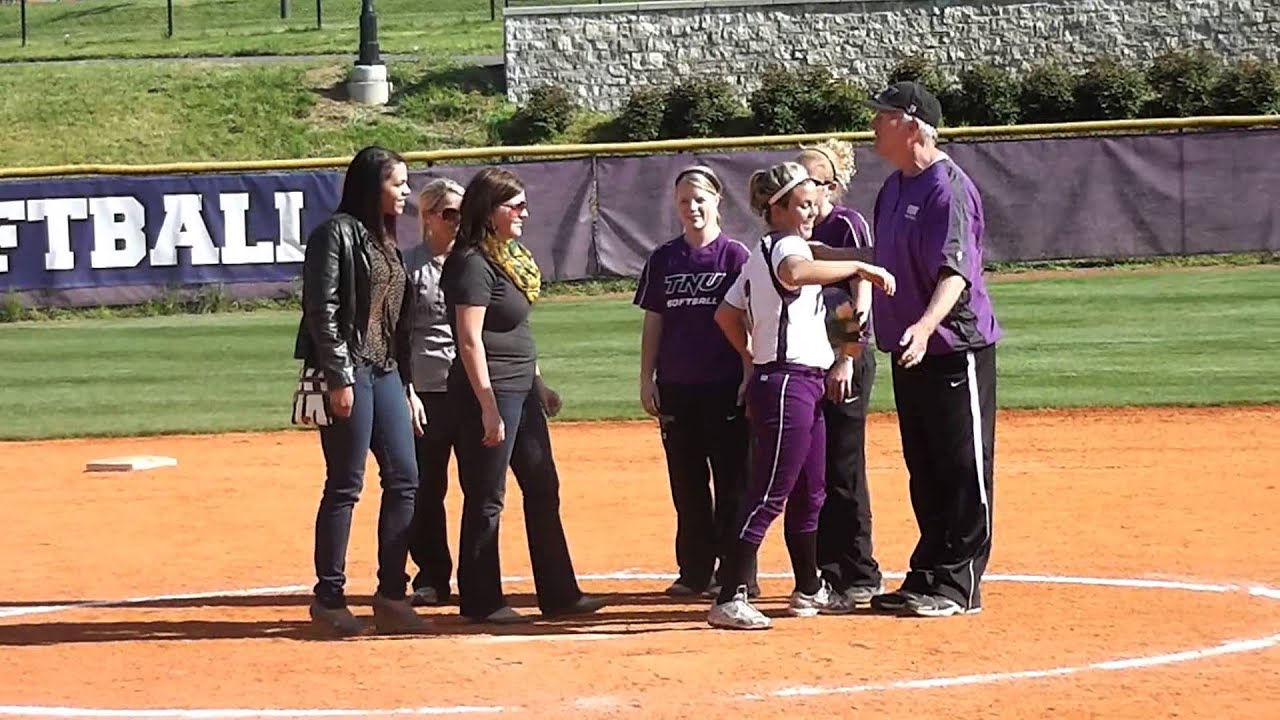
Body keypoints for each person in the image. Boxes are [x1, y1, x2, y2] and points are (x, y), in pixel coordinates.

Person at [709, 161, 896, 630]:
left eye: (813, 204)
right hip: (788, 382)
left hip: (803, 380)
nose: (810, 212)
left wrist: (846, 353)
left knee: (811, 491)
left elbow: (727, 314)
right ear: (777, 208)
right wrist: (858, 264)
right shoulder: (783, 247)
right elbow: (794, 273)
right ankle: (729, 594)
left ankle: (808, 587)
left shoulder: (772, 249)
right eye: (801, 204)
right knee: (771, 491)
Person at [441, 166, 610, 624]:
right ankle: (481, 601)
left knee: (542, 487)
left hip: (521, 387)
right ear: (488, 210)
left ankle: (559, 595)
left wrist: (539, 384)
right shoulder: (471, 262)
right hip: (489, 392)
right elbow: (470, 339)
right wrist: (488, 406)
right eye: (514, 205)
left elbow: (516, 327)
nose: (524, 213)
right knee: (487, 495)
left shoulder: (508, 257)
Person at [863, 81, 1003, 618]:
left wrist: (923, 327)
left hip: (952, 344)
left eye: (884, 115)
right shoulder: (894, 187)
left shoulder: (949, 188)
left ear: (913, 124)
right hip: (908, 347)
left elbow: (956, 273)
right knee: (923, 466)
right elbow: (883, 258)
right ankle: (928, 574)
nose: (875, 123)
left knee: (962, 465)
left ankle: (960, 583)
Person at [294, 145, 429, 637]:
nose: (406, 192)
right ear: (374, 186)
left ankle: (391, 594)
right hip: (352, 370)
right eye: (399, 183)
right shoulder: (336, 234)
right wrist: (337, 374)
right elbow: (322, 308)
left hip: (388, 371)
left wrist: (410, 387)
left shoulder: (387, 241)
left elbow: (399, 324)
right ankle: (328, 598)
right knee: (346, 484)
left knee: (406, 479)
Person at [634, 165, 758, 599]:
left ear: (717, 200)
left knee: (732, 483)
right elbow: (655, 319)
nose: (692, 207)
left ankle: (737, 572)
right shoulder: (665, 258)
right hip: (679, 385)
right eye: (684, 200)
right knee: (687, 486)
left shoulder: (736, 257)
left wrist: (749, 371)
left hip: (725, 383)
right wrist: (647, 376)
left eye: (700, 198)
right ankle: (694, 571)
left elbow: (752, 320)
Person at [795, 141, 885, 609]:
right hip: (806, 360)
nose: (803, 186)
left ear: (831, 185)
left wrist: (847, 355)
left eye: (811, 179)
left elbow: (860, 292)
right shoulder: (791, 229)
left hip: (843, 355)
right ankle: (826, 571)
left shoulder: (845, 224)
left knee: (844, 466)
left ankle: (859, 571)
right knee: (815, 466)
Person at [403, 177, 465, 607]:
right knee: (427, 487)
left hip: (472, 386)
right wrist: (405, 391)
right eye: (449, 213)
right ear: (427, 216)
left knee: (482, 488)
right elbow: (392, 334)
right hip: (425, 388)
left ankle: (480, 575)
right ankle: (432, 575)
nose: (458, 221)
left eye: (463, 212)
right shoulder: (408, 266)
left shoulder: (477, 262)